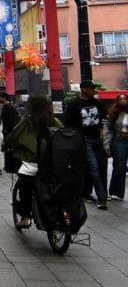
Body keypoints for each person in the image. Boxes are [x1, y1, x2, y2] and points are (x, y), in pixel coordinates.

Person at [2, 94, 61, 229]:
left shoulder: (27, 122)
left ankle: (26, 217)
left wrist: (6, 147)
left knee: (25, 187)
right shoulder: (54, 121)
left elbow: (13, 137)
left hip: (31, 162)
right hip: (53, 164)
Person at [64, 79, 108, 209]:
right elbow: (69, 124)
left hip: (97, 138)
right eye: (91, 88)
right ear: (84, 89)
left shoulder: (97, 103)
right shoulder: (74, 104)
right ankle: (102, 198)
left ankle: (93, 193)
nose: (94, 91)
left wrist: (103, 135)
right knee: (93, 168)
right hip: (83, 139)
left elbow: (104, 119)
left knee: (100, 167)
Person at [104, 94, 128, 201]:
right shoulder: (114, 113)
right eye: (121, 99)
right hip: (119, 141)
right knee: (120, 167)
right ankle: (116, 192)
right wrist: (107, 144)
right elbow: (108, 130)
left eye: (125, 99)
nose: (123, 101)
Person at [0, 92, 21, 173]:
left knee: (9, 149)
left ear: (4, 98)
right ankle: (8, 165)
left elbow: (12, 121)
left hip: (9, 132)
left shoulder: (10, 107)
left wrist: (8, 131)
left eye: (0, 97)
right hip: (6, 132)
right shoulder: (5, 107)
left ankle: (11, 166)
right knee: (7, 149)